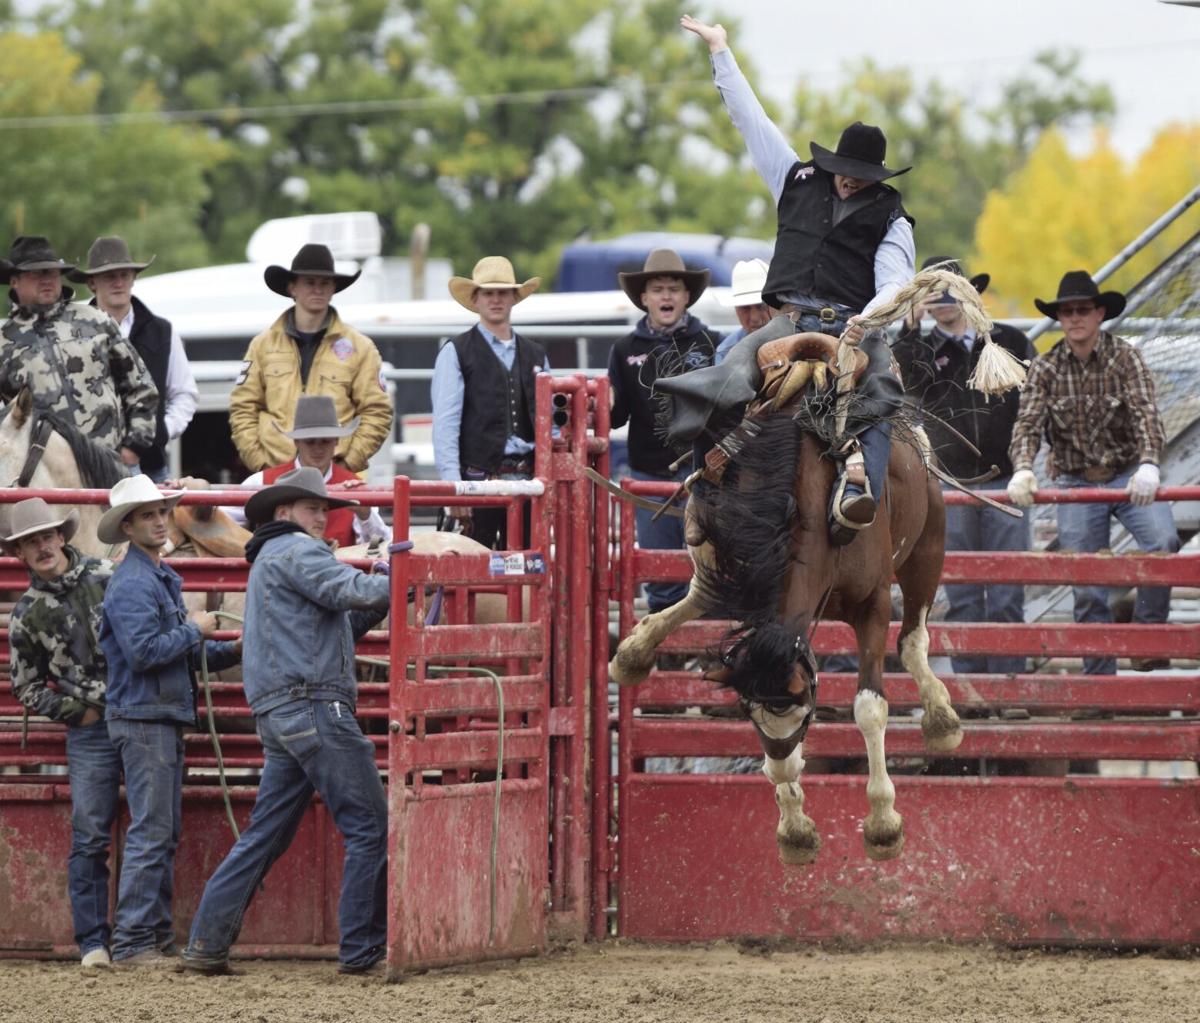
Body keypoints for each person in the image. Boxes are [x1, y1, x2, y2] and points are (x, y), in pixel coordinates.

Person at [674, 16, 915, 532]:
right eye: (847, 171)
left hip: (855, 322)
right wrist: (720, 53)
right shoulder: (795, 178)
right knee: (723, 378)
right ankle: (705, 491)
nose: (852, 181)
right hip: (788, 320)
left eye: (864, 176)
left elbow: (896, 283)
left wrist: (866, 322)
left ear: (877, 179)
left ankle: (859, 496)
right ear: (833, 165)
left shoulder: (891, 217)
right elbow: (750, 120)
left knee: (877, 393)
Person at [180, 466, 391, 977]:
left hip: (282, 717)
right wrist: (392, 576)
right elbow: (356, 592)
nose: (322, 515)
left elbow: (339, 619)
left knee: (266, 835)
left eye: (324, 508)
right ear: (283, 513)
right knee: (370, 826)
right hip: (316, 708)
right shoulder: (299, 551)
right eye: (311, 507)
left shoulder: (270, 562)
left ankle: (207, 941)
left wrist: (383, 592)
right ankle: (362, 948)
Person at [97, 475, 240, 966]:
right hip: (145, 717)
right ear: (129, 525)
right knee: (153, 831)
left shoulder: (150, 576)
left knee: (160, 830)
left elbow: (174, 651)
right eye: (149, 515)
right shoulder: (136, 582)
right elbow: (144, 653)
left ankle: (151, 936)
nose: (160, 521)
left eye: (162, 513)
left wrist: (233, 648)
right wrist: (194, 629)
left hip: (154, 714)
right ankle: (136, 941)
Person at [1007, 271, 1180, 674]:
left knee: (1163, 541)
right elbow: (1027, 425)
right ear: (1060, 318)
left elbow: (1145, 414)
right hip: (1075, 480)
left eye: (1083, 310)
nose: (1075, 319)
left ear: (1100, 313)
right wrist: (1022, 468)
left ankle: (1148, 638)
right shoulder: (1046, 367)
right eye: (1066, 312)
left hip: (1127, 472)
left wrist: (1150, 463)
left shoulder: (1125, 357)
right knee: (1087, 584)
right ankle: (1098, 681)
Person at [893, 257, 1035, 675]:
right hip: (951, 485)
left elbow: (1035, 405)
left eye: (950, 289)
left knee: (1007, 590)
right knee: (962, 590)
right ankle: (972, 687)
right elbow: (904, 390)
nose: (944, 300)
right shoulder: (919, 349)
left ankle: (1007, 684)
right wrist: (909, 327)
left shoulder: (1009, 340)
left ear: (968, 291)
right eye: (933, 292)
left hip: (1005, 479)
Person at [6, 499, 119, 969]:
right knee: (91, 834)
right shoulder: (27, 615)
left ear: (62, 537)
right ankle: (93, 941)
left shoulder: (108, 576)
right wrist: (78, 712)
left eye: (47, 536)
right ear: (21, 555)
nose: (42, 546)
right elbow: (26, 686)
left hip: (140, 715)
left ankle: (144, 936)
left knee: (158, 827)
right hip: (90, 729)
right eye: (31, 542)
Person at [608, 249, 720, 614]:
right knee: (659, 571)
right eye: (658, 289)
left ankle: (704, 648)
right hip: (648, 475)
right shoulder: (625, 350)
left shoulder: (713, 343)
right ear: (644, 299)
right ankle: (668, 651)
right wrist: (604, 401)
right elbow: (615, 416)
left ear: (687, 296)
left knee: (712, 567)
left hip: (704, 475)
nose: (666, 296)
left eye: (674, 288)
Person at [229, 243, 392, 474]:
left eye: (325, 282)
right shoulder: (262, 346)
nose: (318, 289)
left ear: (334, 288)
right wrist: (261, 465)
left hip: (337, 471)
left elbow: (377, 411)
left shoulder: (361, 348)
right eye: (310, 282)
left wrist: (346, 466)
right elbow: (243, 408)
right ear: (292, 288)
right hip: (276, 469)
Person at [0, 235, 157, 466]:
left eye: (52, 273)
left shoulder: (96, 321)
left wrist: (135, 446)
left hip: (110, 466)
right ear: (15, 281)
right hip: (44, 477)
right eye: (37, 273)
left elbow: (141, 386)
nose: (47, 280)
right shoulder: (4, 343)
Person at [431, 255, 548, 549]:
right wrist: (453, 488)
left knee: (529, 565)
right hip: (477, 479)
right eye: (489, 293)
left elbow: (551, 424)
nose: (496, 300)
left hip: (529, 480)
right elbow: (446, 425)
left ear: (512, 298)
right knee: (472, 568)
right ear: (476, 299)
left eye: (502, 292)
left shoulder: (536, 355)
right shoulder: (456, 352)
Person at [70, 236, 198, 483]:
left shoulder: (162, 331)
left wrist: (158, 433)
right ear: (92, 283)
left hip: (151, 467)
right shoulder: (72, 334)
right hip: (89, 470)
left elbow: (185, 394)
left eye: (124, 275)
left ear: (133, 278)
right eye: (110, 276)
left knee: (158, 522)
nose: (118, 282)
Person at [182, 396, 387, 547]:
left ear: (336, 442)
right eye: (310, 442)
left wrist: (365, 513)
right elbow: (223, 520)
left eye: (325, 441)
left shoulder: (356, 488)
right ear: (297, 442)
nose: (317, 448)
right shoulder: (260, 481)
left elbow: (380, 545)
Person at [714, 258, 771, 364]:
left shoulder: (798, 339)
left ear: (774, 306)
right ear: (736, 309)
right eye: (745, 308)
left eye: (761, 306)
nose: (754, 317)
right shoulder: (726, 352)